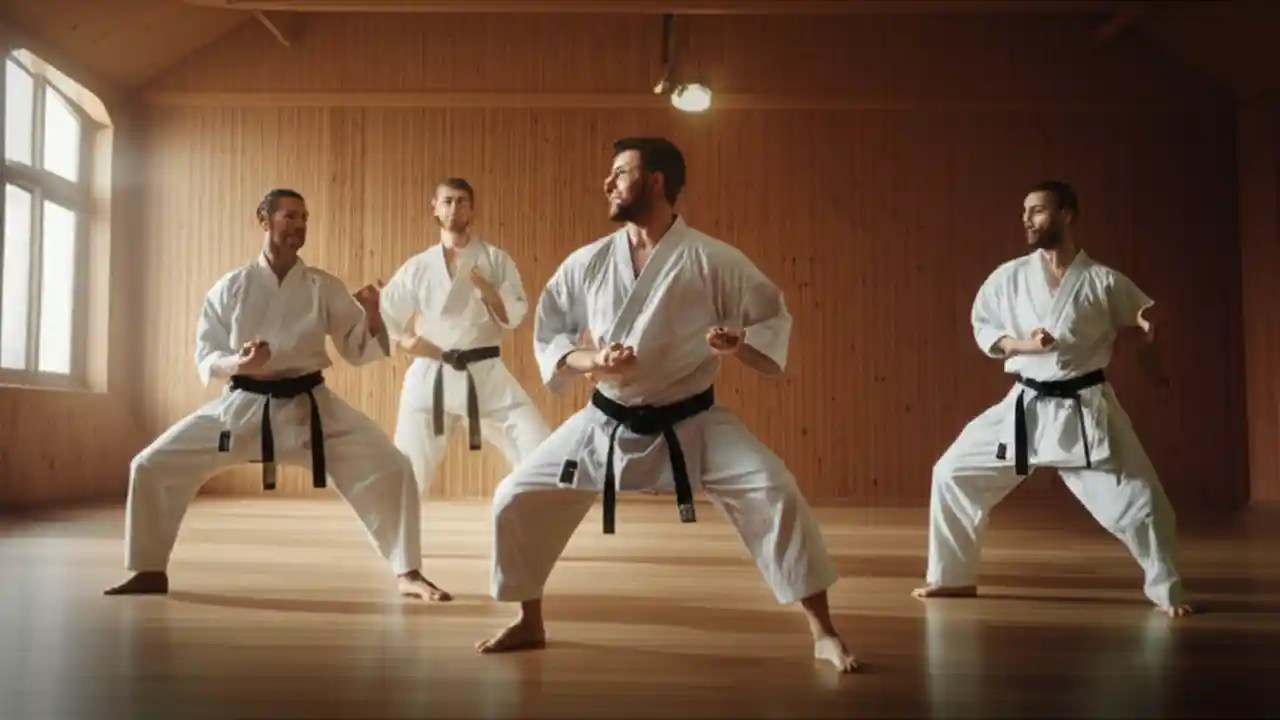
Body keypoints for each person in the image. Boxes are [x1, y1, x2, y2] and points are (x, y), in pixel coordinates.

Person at [473, 137, 858, 673]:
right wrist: (595, 362)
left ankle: (823, 630)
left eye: (620, 173)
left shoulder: (711, 258)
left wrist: (738, 342)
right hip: (606, 419)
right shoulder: (588, 262)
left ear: (655, 181)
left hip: (694, 421)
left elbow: (770, 318)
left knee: (774, 490)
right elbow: (552, 334)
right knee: (516, 495)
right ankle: (528, 619)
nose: (608, 183)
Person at [104, 188, 449, 602]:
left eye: (304, 218)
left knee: (392, 467)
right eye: (289, 216)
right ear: (263, 219)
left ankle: (407, 572)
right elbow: (206, 354)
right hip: (243, 407)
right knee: (151, 464)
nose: (299, 225)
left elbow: (358, 351)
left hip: (313, 409)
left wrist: (373, 316)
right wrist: (240, 363)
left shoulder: (322, 286)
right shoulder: (231, 286)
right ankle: (147, 569)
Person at [911, 180, 1193, 618]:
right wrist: (1025, 344)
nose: (1027, 219)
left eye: (1038, 210)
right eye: (1025, 211)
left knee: (1144, 503)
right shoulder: (1008, 278)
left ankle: (1167, 593)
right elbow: (986, 331)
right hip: (1024, 406)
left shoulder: (1102, 281)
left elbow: (1141, 320)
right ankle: (952, 578)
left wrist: (1148, 329)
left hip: (1085, 409)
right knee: (952, 473)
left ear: (1068, 214)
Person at [379, 178, 550, 508]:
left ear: (472, 209)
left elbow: (516, 314)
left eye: (461, 201)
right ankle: (399, 546)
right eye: (447, 201)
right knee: (407, 471)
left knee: (539, 446)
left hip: (484, 375)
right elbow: (387, 313)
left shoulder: (496, 260)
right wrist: (404, 339)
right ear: (435, 207)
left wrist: (488, 292)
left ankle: (519, 514)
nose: (454, 208)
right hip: (431, 375)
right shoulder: (418, 267)